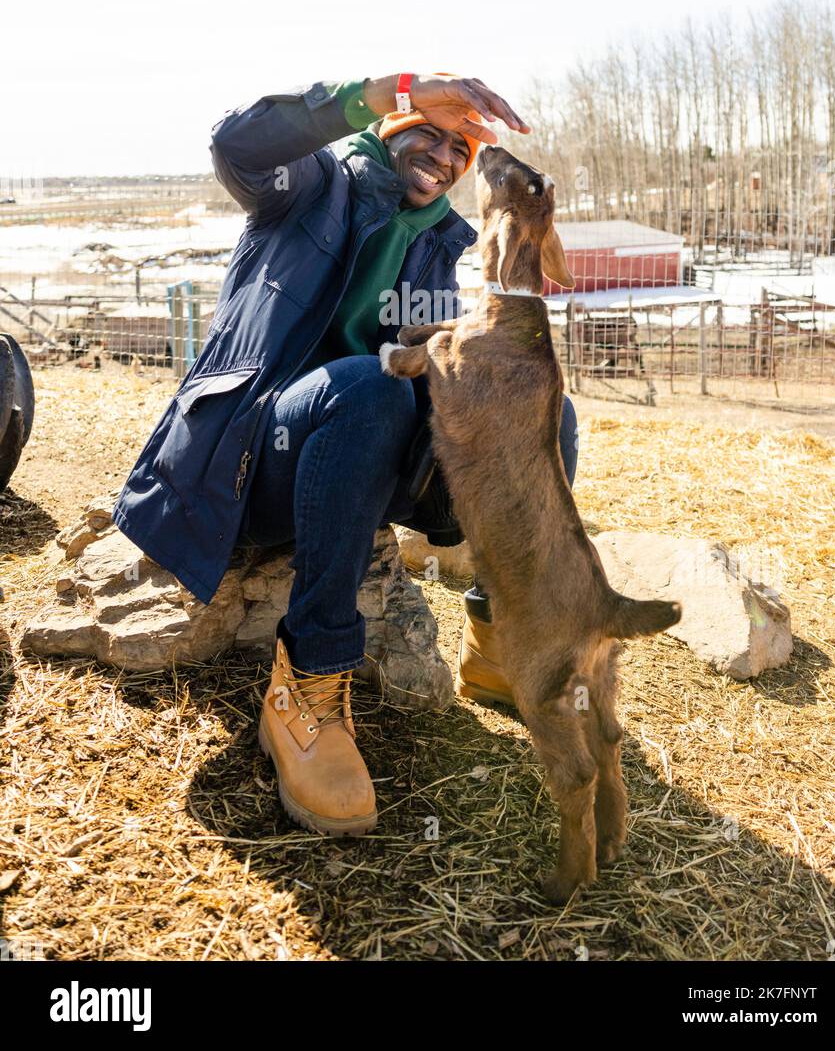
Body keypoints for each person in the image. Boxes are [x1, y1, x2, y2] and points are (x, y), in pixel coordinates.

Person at [112, 73, 578, 837]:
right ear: (390, 130)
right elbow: (238, 142)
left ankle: (501, 642)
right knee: (367, 389)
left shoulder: (436, 243)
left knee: (541, 412)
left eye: (459, 149)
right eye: (425, 131)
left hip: (353, 457)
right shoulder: (309, 186)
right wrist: (387, 88)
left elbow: (412, 358)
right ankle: (308, 686)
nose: (442, 152)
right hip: (248, 458)